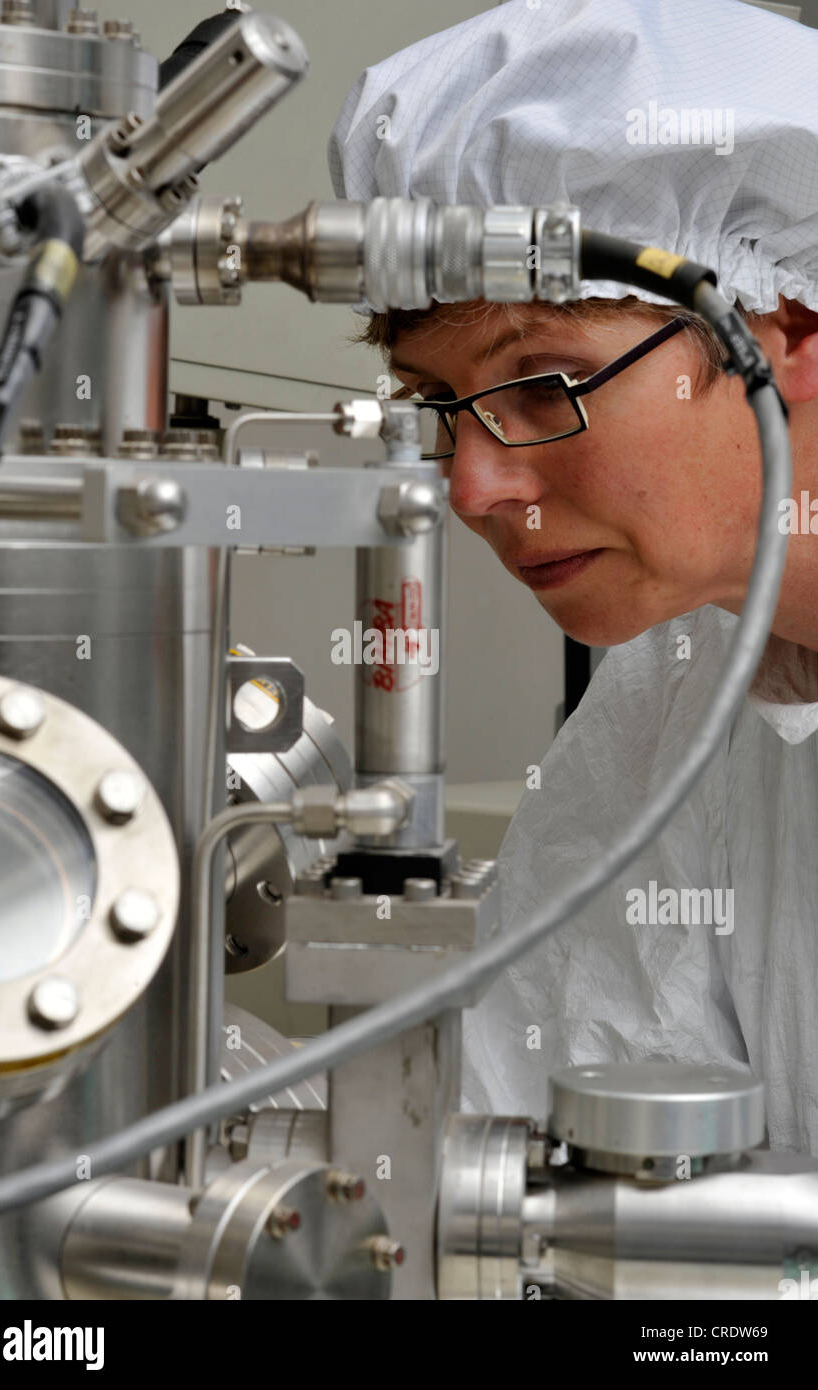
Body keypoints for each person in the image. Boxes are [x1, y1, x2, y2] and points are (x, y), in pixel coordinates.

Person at [327, 0, 818, 1152]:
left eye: (545, 384)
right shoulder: (676, 688)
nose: (472, 487)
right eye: (439, 406)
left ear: (789, 323)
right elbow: (528, 1110)